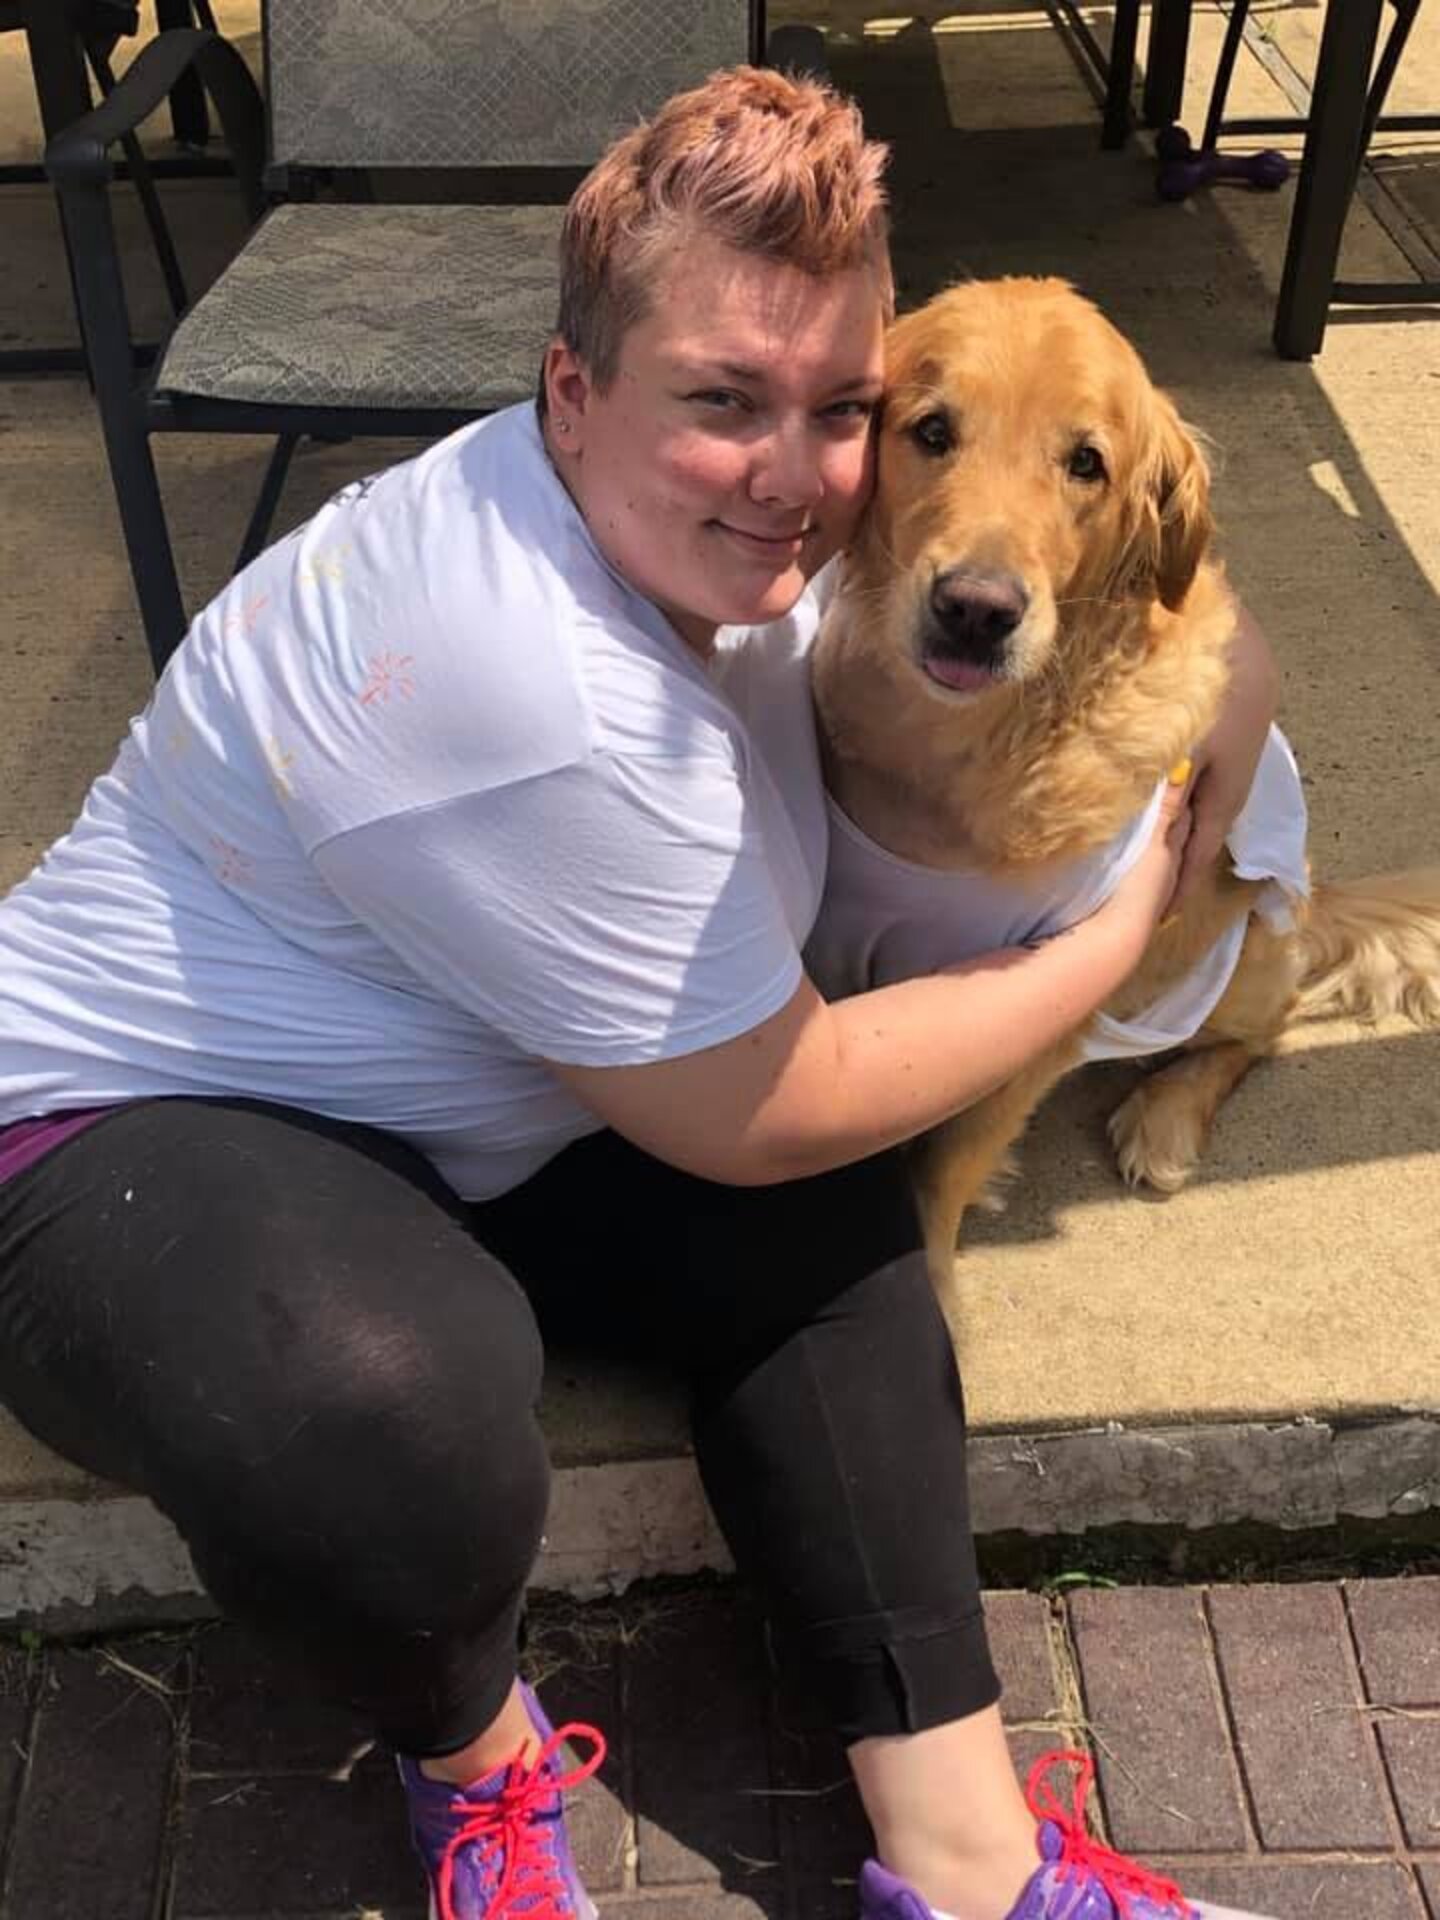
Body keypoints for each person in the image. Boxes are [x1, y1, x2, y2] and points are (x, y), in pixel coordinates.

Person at [0, 66, 1279, 1920]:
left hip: (512, 1087)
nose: (794, 472)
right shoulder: (533, 694)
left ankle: (975, 1867)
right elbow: (761, 1102)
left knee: (849, 1240)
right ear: (570, 386)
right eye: (720, 403)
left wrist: (1223, 694)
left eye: (841, 410)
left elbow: (1116, 559)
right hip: (130, 1134)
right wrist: (1104, 936)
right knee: (385, 1403)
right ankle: (484, 1773)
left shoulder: (742, 538)